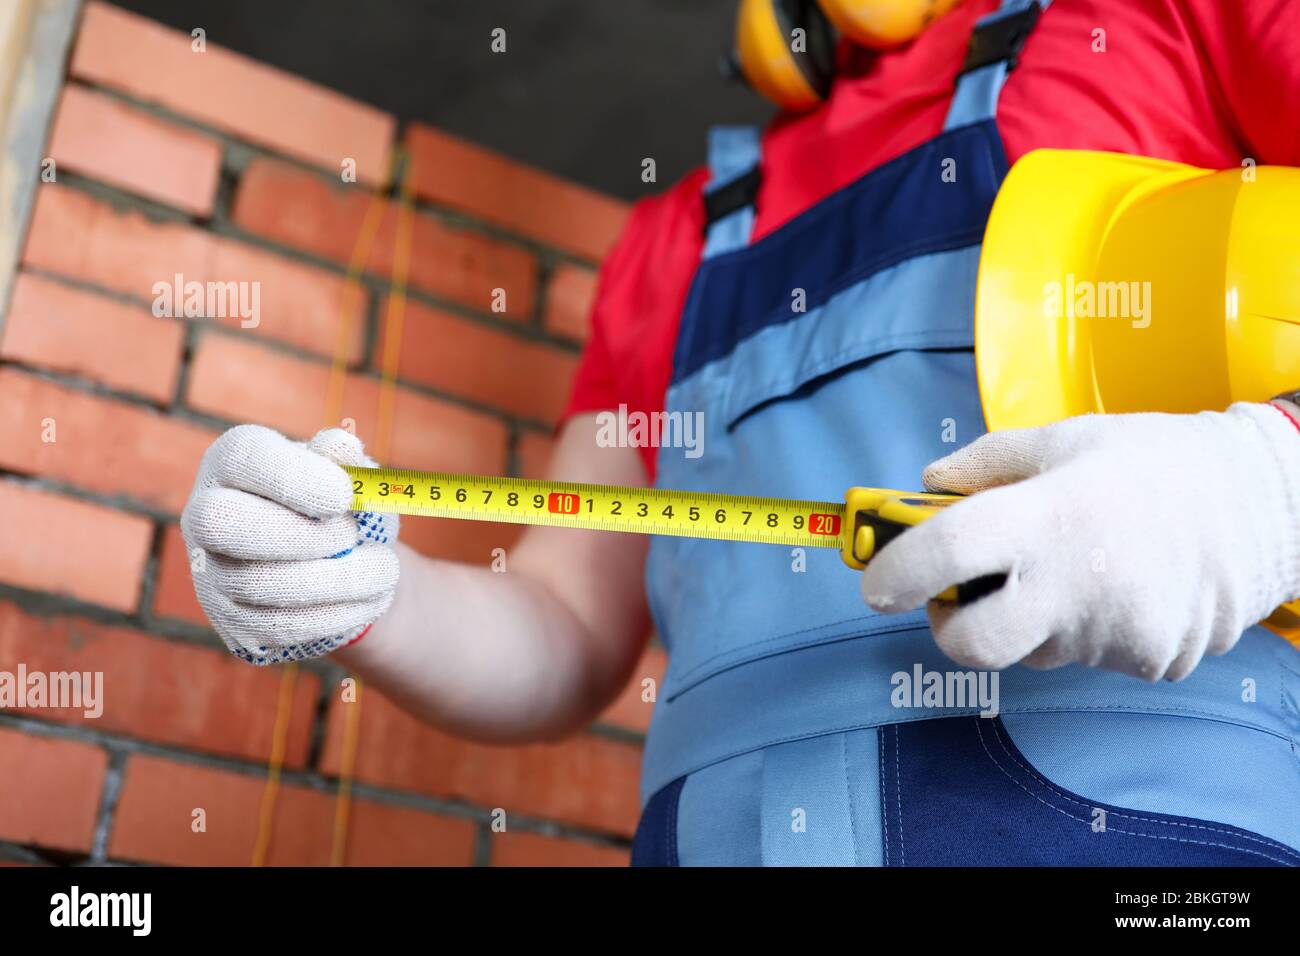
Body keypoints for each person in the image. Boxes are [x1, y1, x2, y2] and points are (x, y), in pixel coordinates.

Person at [182, 0, 1300, 865]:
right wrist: (371, 596)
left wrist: (1259, 491)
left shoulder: (1168, 22)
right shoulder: (677, 230)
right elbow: (564, 625)